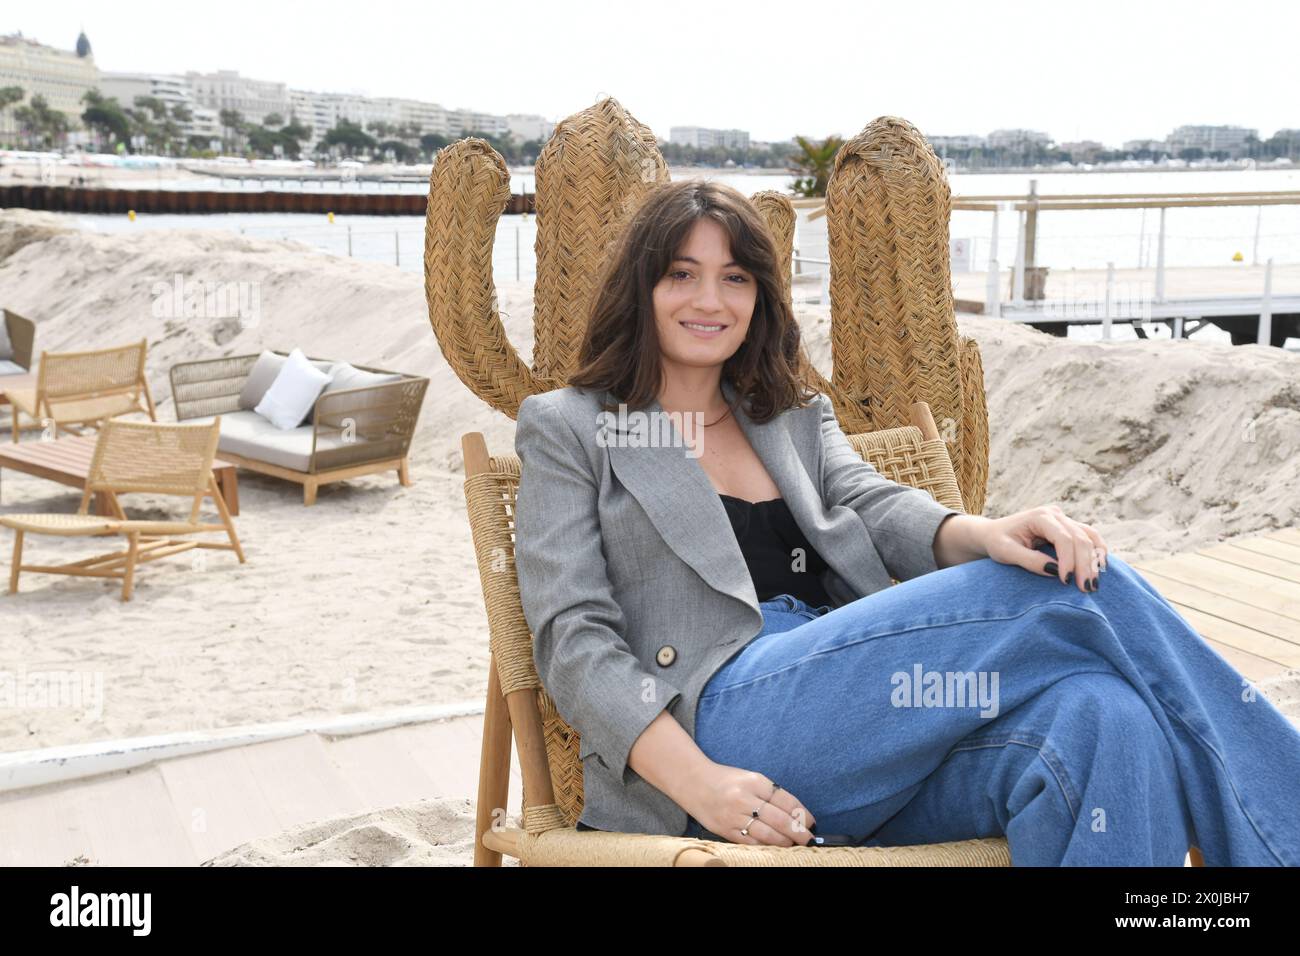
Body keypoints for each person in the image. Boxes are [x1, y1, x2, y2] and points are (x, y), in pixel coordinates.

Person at [512, 178, 1300, 865]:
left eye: (736, 277)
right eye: (682, 274)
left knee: (1105, 718)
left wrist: (984, 534)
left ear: (760, 298)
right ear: (641, 287)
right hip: (720, 729)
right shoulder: (573, 427)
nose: (711, 301)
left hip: (865, 730)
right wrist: (703, 784)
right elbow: (573, 641)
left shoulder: (787, 418)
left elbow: (879, 505)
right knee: (1071, 586)